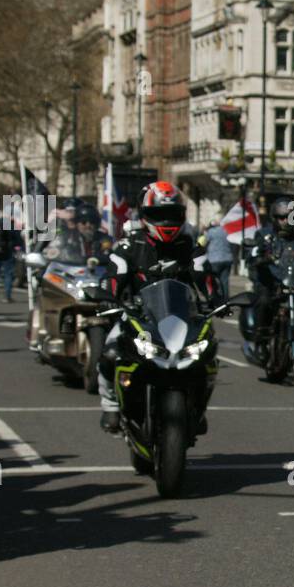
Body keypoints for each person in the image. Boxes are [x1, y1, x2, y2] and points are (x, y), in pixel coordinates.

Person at [97, 182, 202, 433]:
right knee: (110, 353)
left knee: (206, 357)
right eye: (158, 215)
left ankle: (197, 407)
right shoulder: (128, 247)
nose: (166, 222)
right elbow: (112, 279)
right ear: (144, 216)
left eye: (172, 215)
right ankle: (110, 404)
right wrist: (107, 300)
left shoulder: (189, 247)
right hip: (137, 317)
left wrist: (218, 301)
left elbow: (206, 279)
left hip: (180, 319)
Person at [242, 198, 294, 364]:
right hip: (271, 282)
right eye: (281, 217)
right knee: (264, 301)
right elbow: (253, 253)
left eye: (289, 217)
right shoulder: (265, 235)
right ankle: (260, 342)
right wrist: (258, 258)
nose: (285, 221)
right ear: (274, 218)